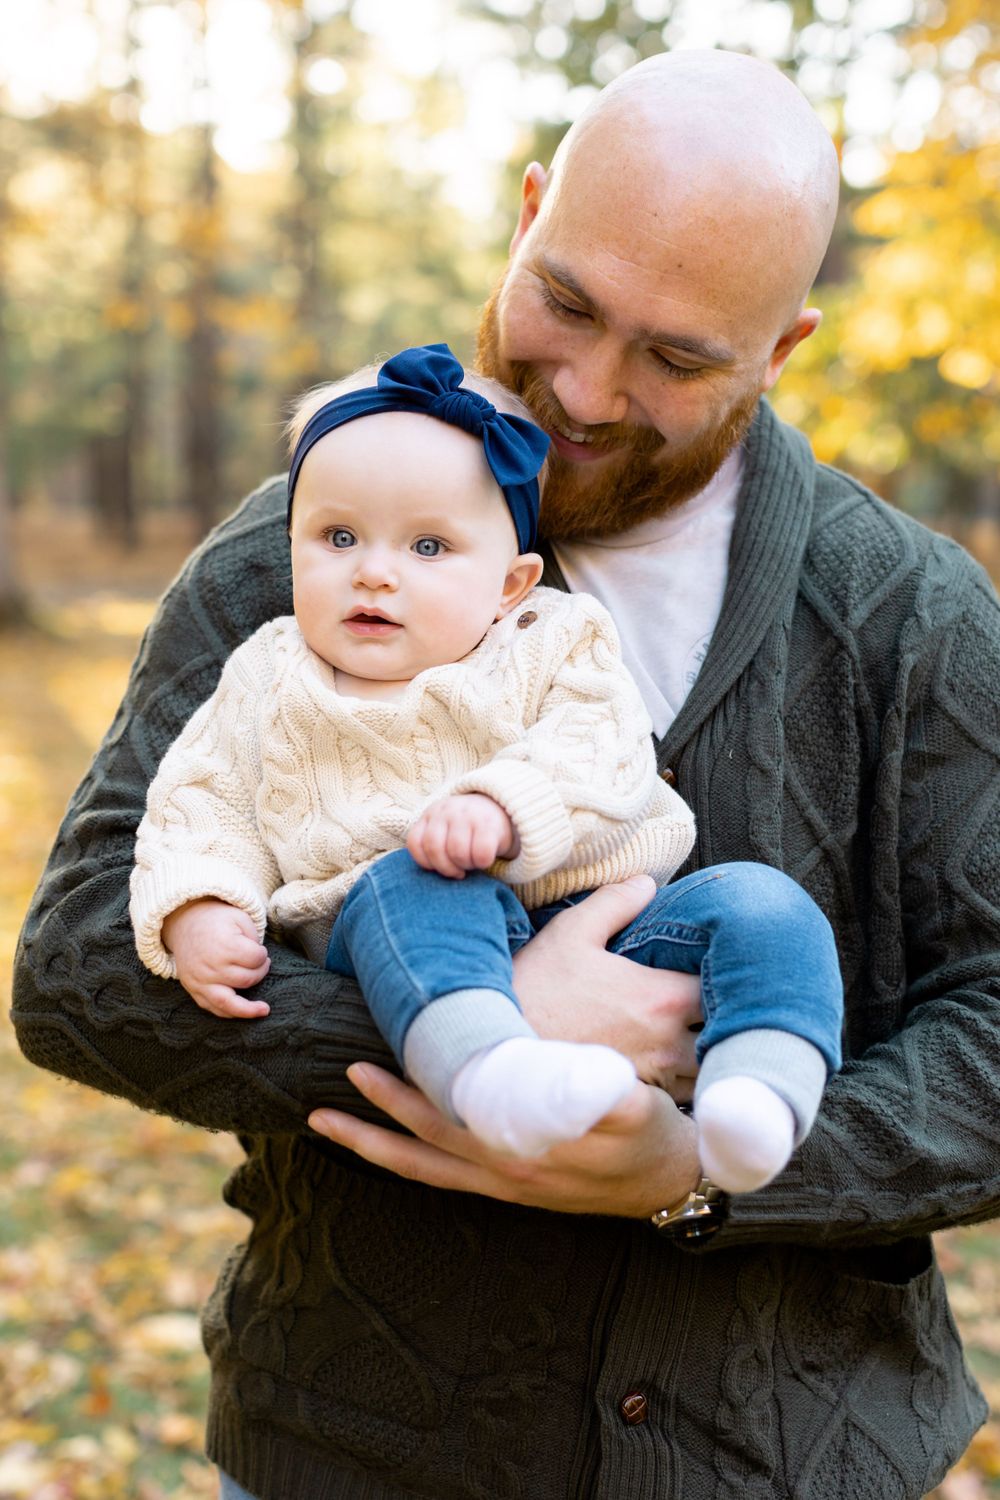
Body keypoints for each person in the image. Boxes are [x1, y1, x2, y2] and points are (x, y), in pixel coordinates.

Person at [12, 48, 999, 1500]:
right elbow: (82, 961)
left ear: (781, 349)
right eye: (571, 303)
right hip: (353, 1454)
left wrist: (695, 1169)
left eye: (675, 359)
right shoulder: (315, 544)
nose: (587, 388)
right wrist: (456, 1027)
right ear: (529, 212)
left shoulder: (917, 617)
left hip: (791, 1464)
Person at [129, 342, 841, 1179]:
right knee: (413, 880)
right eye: (338, 536)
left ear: (511, 584)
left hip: (609, 922)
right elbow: (201, 802)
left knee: (762, 903)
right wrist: (201, 909)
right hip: (400, 934)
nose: (375, 573)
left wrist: (505, 804)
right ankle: (492, 1071)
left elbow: (603, 746)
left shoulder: (551, 641)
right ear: (289, 547)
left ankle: (760, 1091)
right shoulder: (268, 675)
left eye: (427, 548)